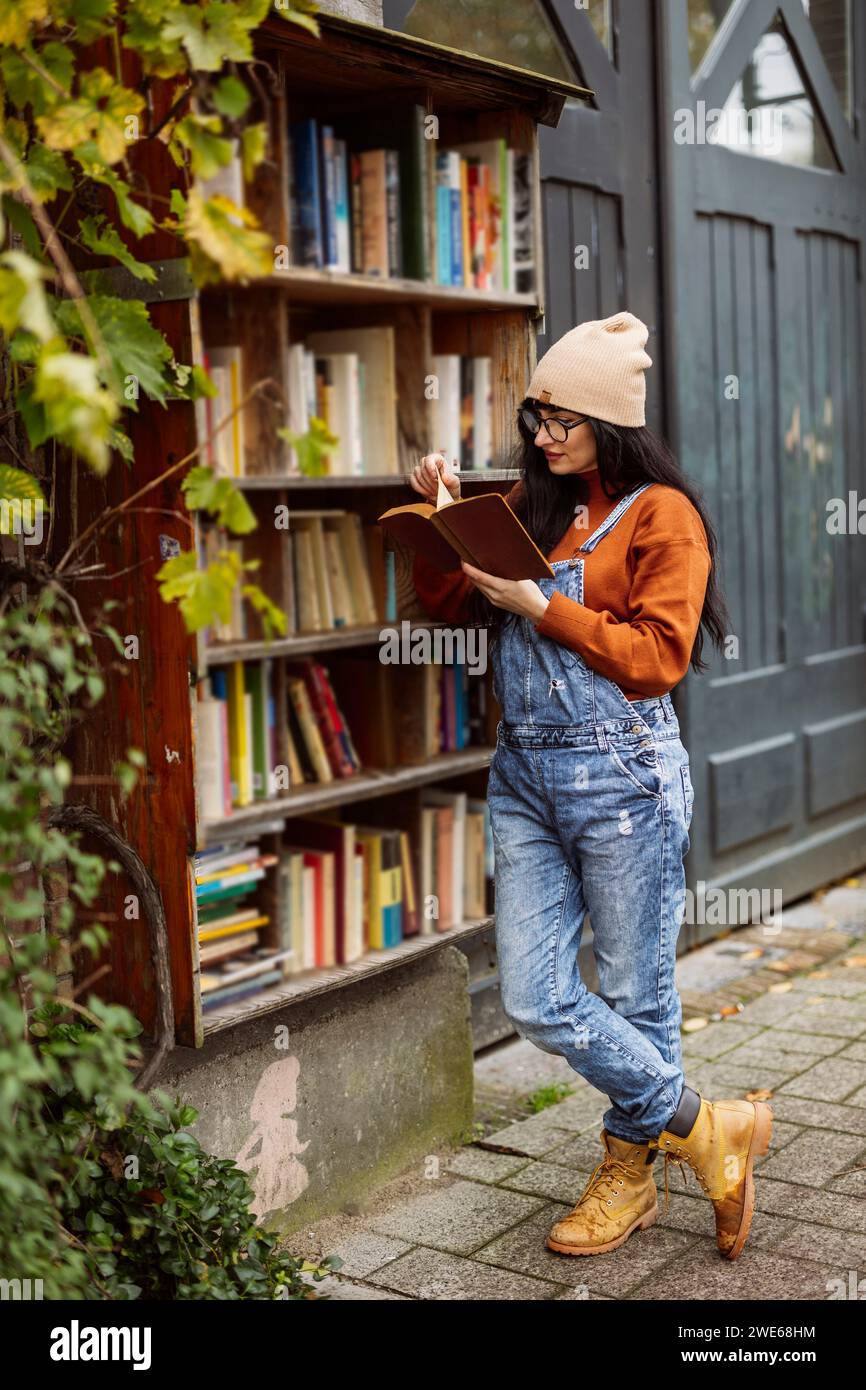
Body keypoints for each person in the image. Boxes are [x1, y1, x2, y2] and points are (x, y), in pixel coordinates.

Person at [408, 311, 772, 1261]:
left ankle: (628, 1173)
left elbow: (658, 659)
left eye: (560, 421)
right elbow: (443, 604)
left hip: (623, 772)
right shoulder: (532, 506)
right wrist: (443, 519)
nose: (541, 437)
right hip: (525, 771)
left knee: (638, 993)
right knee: (533, 994)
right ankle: (708, 1127)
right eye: (535, 417)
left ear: (608, 421)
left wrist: (545, 605)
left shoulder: (663, 516)